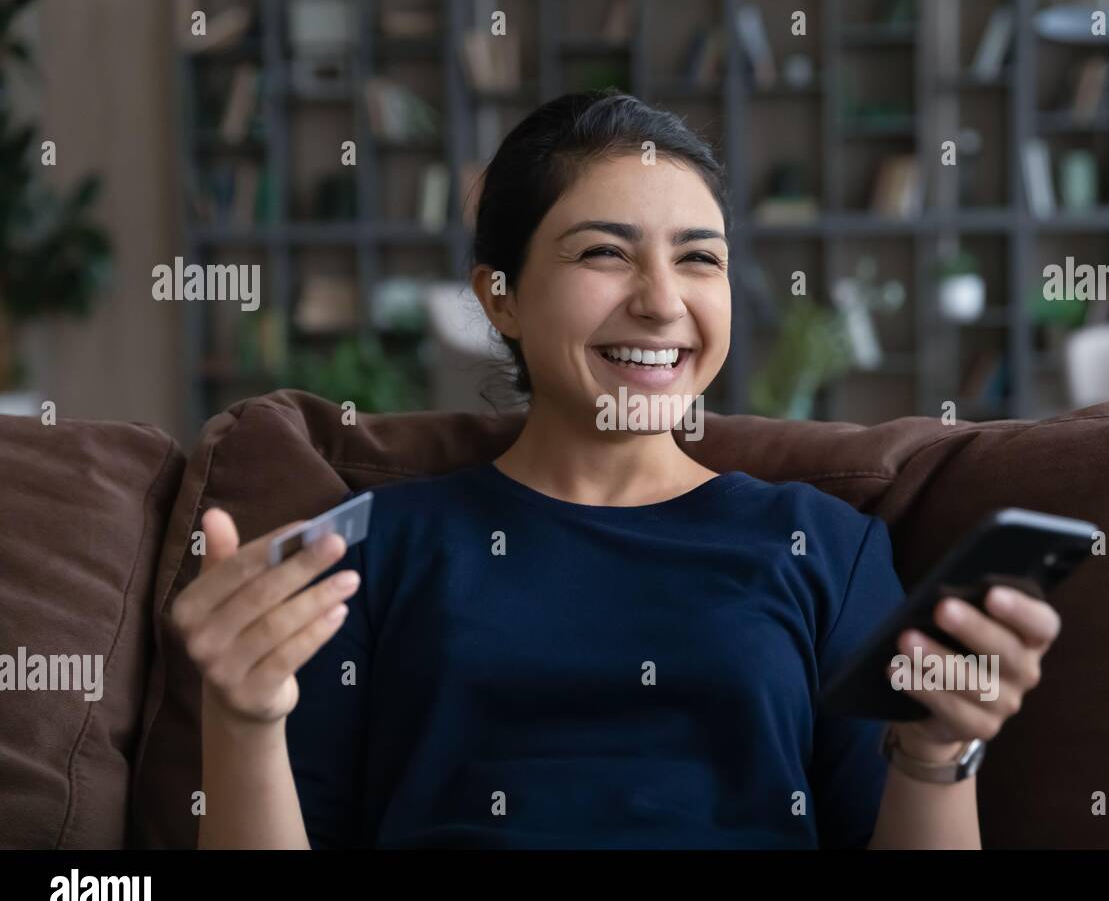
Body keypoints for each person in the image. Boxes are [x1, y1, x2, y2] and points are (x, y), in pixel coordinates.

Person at [172, 90, 1060, 849]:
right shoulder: (373, 552)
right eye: (605, 252)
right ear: (500, 298)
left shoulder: (825, 545)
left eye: (699, 258)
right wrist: (242, 717)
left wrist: (936, 753)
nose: (662, 301)